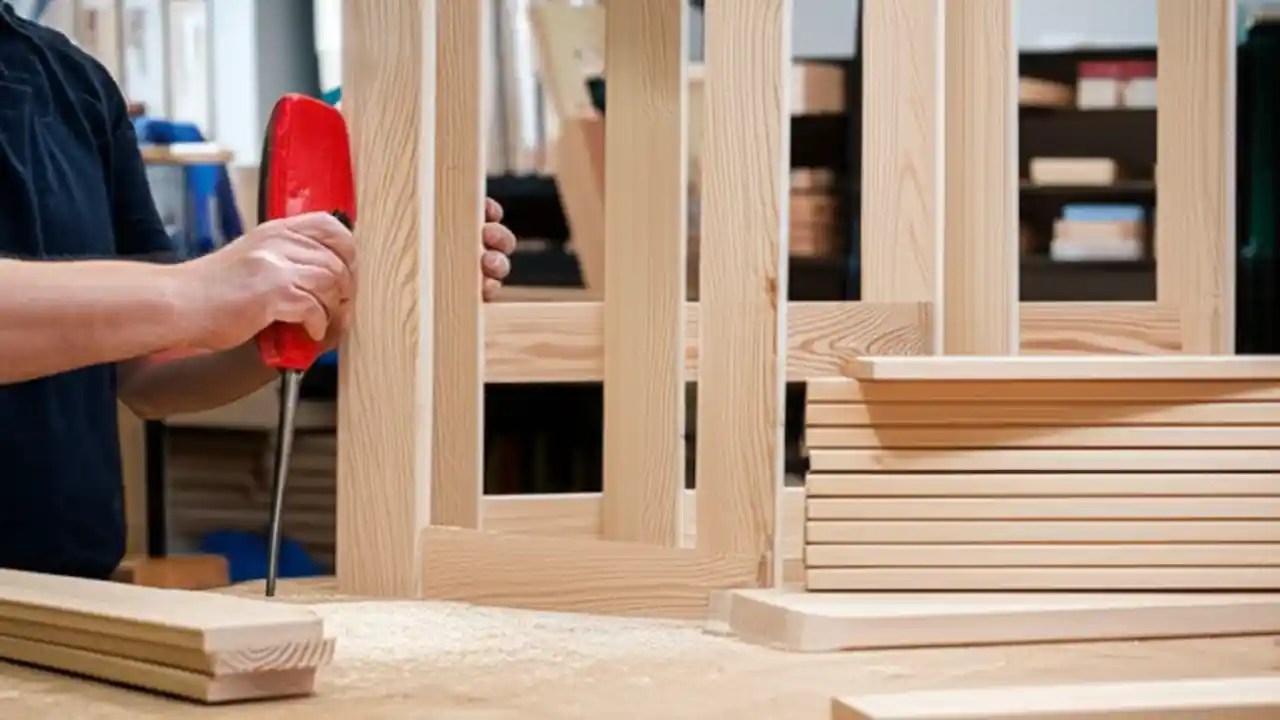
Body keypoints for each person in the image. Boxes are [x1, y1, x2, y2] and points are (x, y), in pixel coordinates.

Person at [0, 2, 516, 579]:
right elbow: (185, 304)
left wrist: (326, 293)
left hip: (65, 595)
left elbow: (147, 374)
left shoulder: (73, 83)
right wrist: (198, 291)